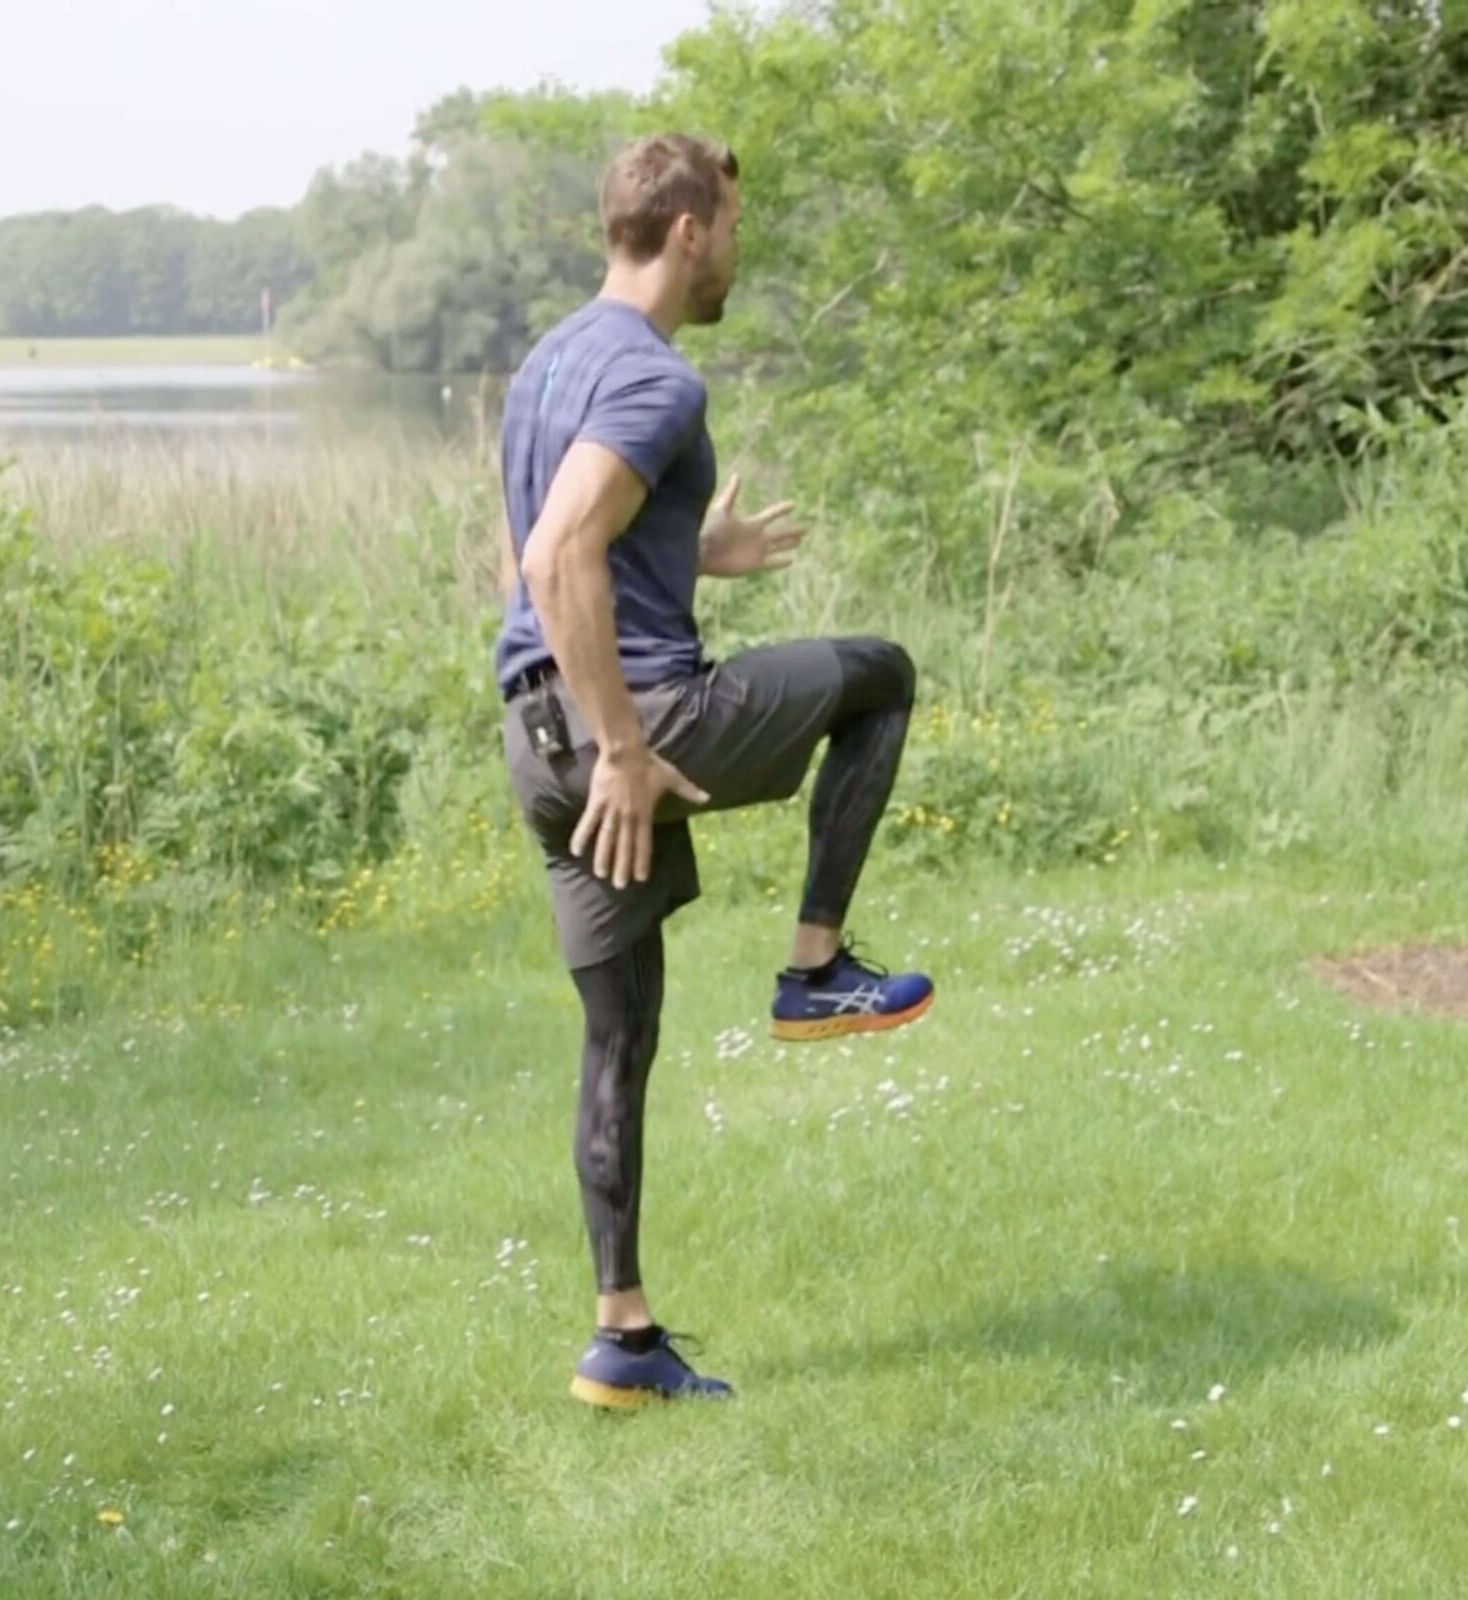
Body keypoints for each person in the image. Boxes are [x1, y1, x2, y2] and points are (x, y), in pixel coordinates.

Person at [496, 133, 934, 1410]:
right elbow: (556, 560)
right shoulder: (655, 378)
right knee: (881, 675)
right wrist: (629, 749)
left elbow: (565, 557)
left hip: (535, 736)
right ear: (689, 231)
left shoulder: (548, 361)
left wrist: (690, 545)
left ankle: (620, 1340)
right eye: (734, 224)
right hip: (637, 725)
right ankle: (814, 971)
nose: (740, 247)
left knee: (617, 1033)